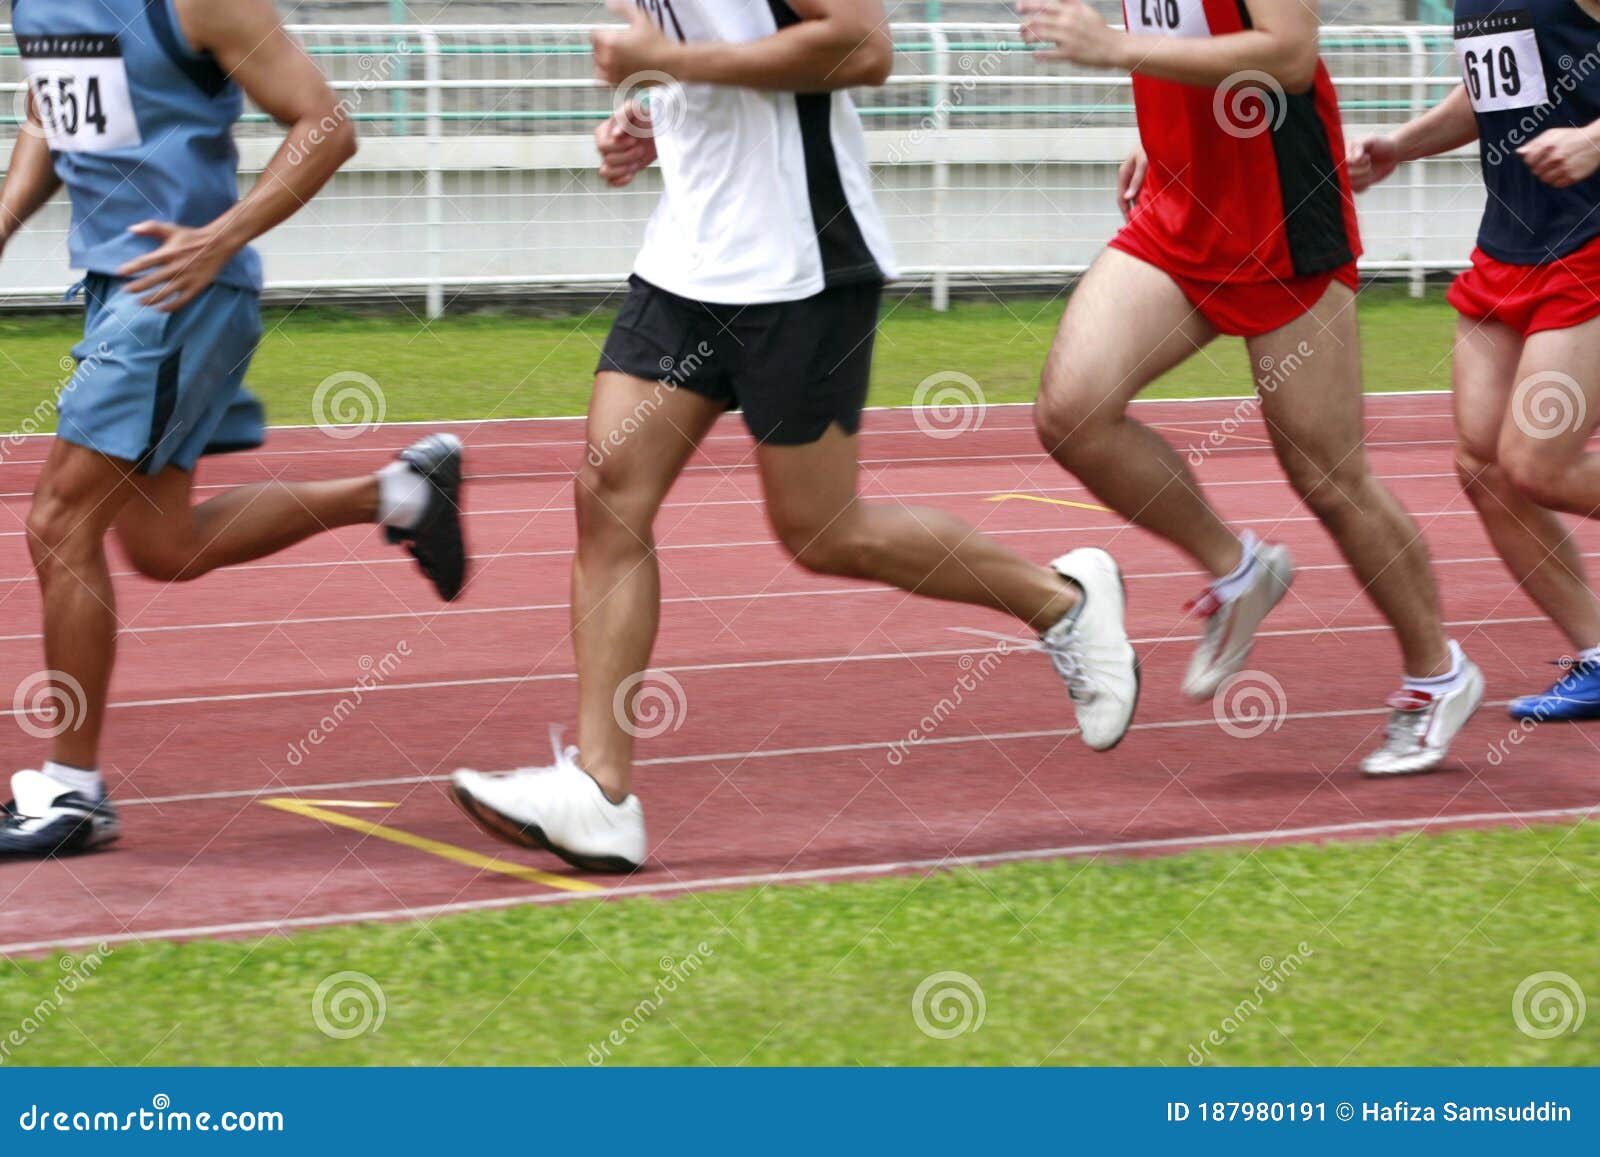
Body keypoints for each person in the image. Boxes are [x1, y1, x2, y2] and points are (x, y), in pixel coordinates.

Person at [450, 0, 1139, 874]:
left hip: (801, 263)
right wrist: (654, 114)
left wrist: (673, 62)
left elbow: (862, 45)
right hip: (688, 260)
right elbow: (712, 55)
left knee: (823, 530)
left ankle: (1062, 603)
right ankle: (601, 792)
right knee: (608, 493)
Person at [0, 0, 468, 857]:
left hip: (174, 294)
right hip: (116, 291)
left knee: (60, 523)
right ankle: (402, 491)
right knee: (162, 545)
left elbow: (325, 125)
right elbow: (47, 108)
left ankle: (72, 792)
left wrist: (221, 238)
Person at [1019, 0, 1483, 774]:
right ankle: (1239, 569)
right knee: (1072, 413)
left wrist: (1112, 47)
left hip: (1281, 213)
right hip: (1180, 201)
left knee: (1331, 477)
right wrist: (1157, 128)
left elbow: (1290, 53)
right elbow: (1183, 39)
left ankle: (1439, 673)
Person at [1349, 0, 1600, 722]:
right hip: (1509, 245)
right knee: (1484, 466)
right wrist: (1403, 141)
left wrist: (1593, 141)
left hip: (1590, 244)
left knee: (1537, 464)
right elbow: (1491, 89)